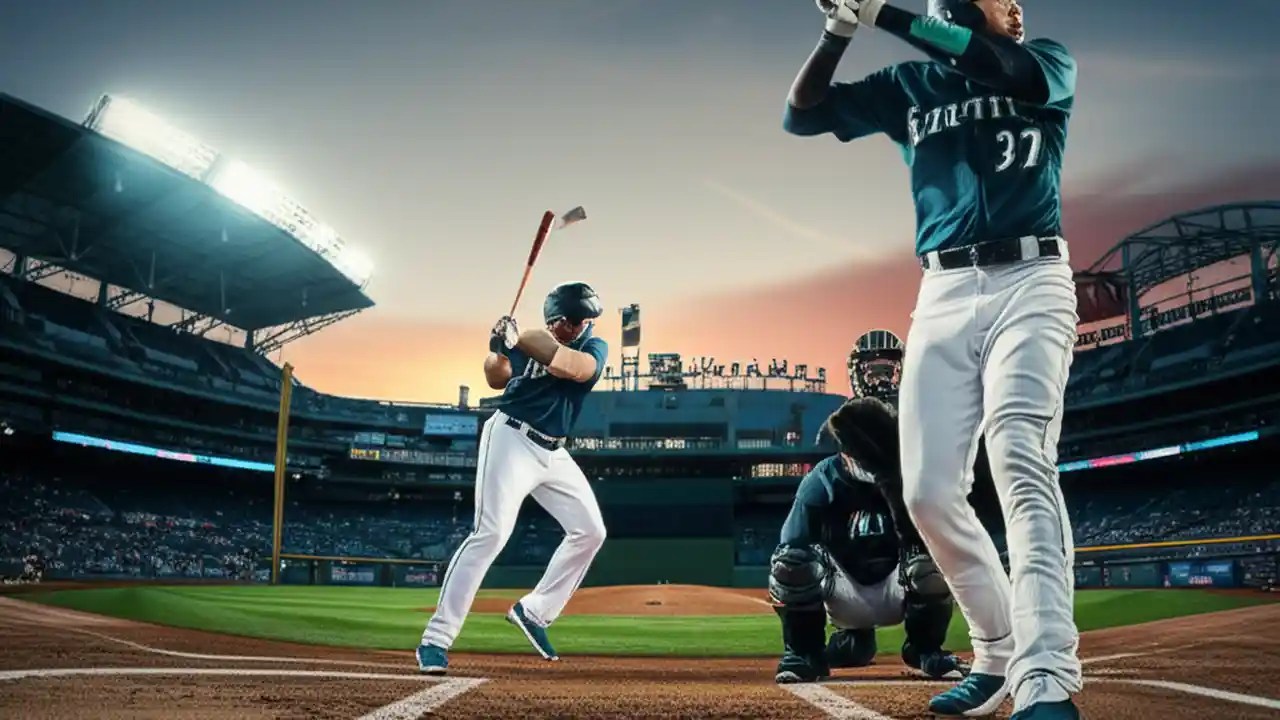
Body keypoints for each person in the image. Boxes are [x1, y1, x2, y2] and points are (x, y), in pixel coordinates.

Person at [781, 1, 1081, 718]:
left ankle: (1047, 677)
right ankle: (997, 653)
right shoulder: (912, 84)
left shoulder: (1045, 59)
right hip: (942, 289)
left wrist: (882, 10)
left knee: (1017, 454)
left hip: (1031, 279)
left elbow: (993, 65)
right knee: (925, 491)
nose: (1014, 5)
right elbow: (803, 112)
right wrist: (838, 31)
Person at [416, 281, 610, 674]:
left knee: (591, 531)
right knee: (491, 534)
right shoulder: (530, 340)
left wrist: (519, 337)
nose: (583, 325)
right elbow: (495, 377)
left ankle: (534, 611)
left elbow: (572, 367)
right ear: (557, 321)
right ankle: (435, 640)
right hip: (511, 438)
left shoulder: (592, 346)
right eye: (575, 320)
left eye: (585, 319)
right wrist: (498, 347)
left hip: (553, 452)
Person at [769, 397, 968, 684]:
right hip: (841, 589)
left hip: (899, 584)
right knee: (792, 563)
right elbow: (791, 547)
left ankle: (926, 649)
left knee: (932, 561)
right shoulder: (823, 479)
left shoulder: (911, 477)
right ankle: (805, 654)